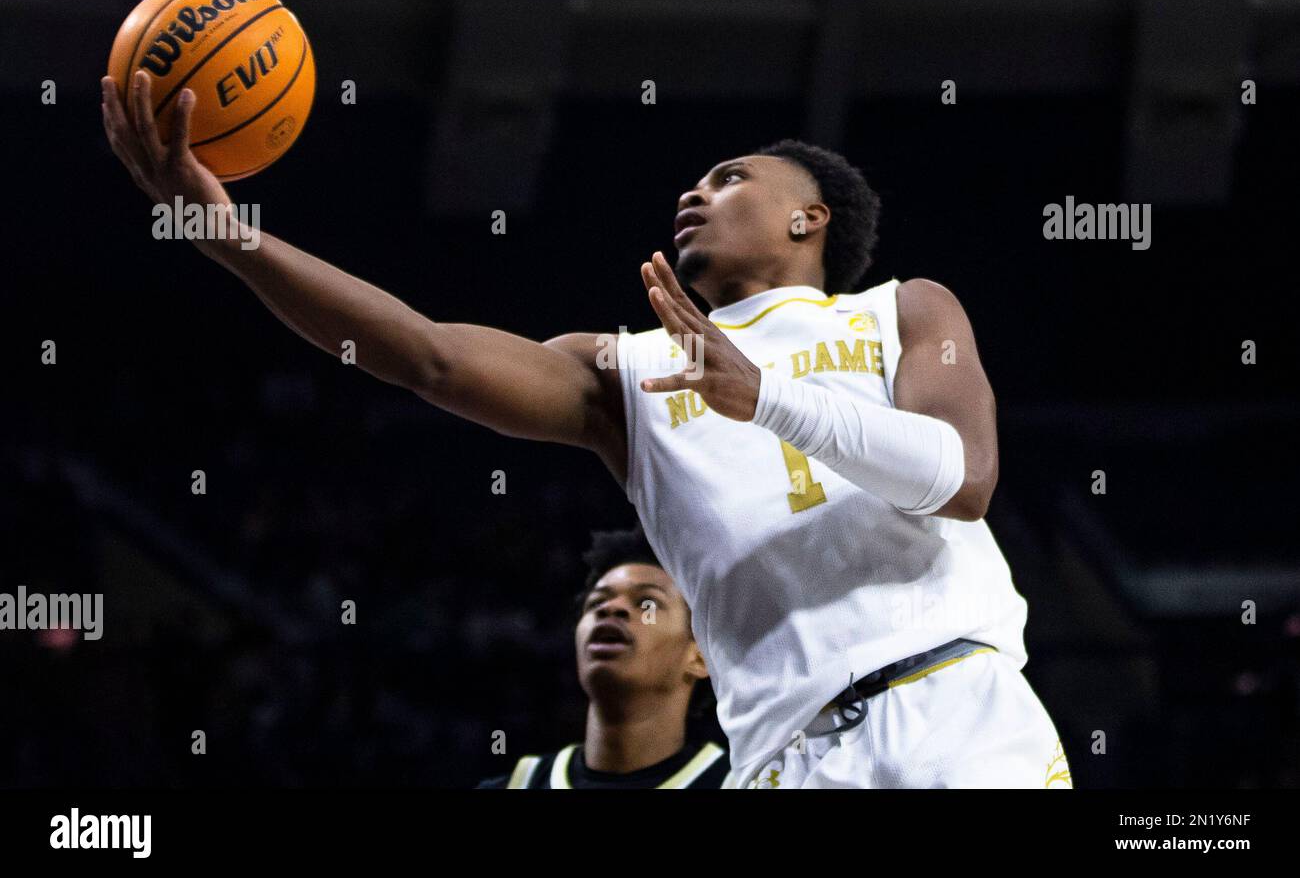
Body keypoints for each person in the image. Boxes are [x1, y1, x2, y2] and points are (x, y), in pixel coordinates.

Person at [101, 70, 1070, 788]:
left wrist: (766, 394)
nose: (695, 191)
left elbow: (962, 477)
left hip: (953, 708)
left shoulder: (903, 309)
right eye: (693, 181)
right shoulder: (625, 368)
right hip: (780, 756)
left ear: (808, 217)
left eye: (730, 176)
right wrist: (230, 239)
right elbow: (427, 355)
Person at [477, 528, 730, 789]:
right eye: (597, 602)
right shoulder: (515, 784)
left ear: (699, 657)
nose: (611, 608)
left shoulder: (739, 783)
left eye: (646, 603)